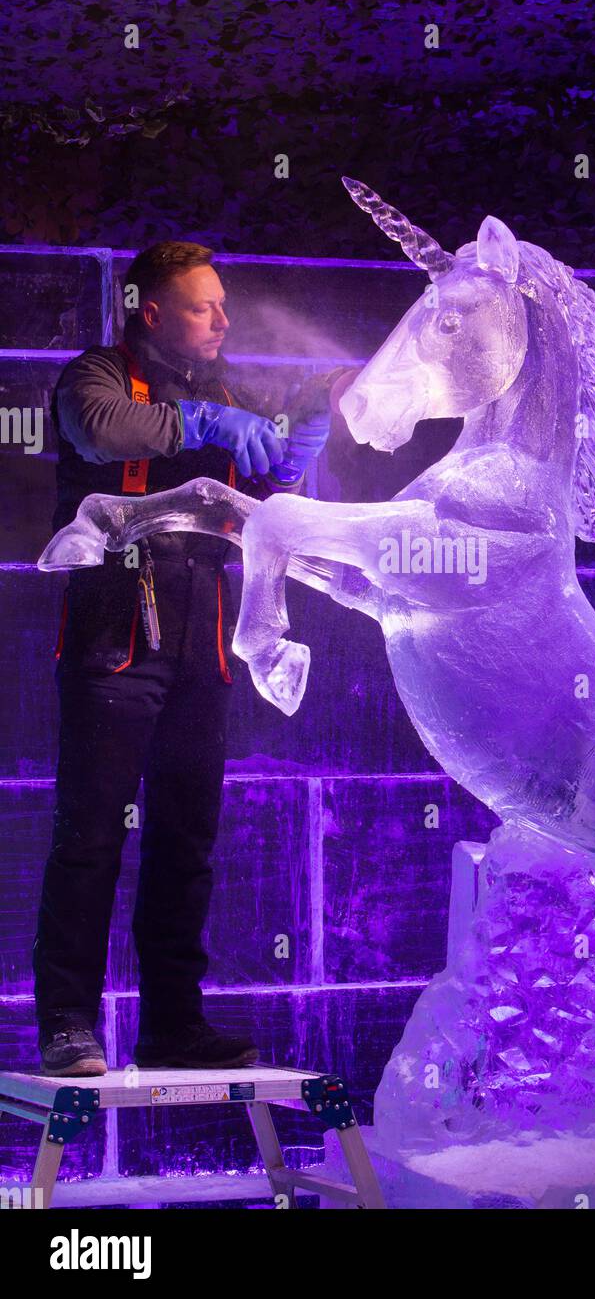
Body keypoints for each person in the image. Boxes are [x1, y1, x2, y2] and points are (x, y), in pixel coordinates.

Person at [33, 241, 330, 1076]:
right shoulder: (96, 377)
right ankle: (66, 1024)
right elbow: (98, 434)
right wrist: (203, 424)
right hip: (114, 637)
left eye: (225, 307)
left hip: (205, 639)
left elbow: (269, 494)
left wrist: (305, 430)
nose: (223, 321)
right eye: (205, 307)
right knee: (91, 837)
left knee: (186, 841)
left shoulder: (228, 392)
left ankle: (172, 1023)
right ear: (151, 310)